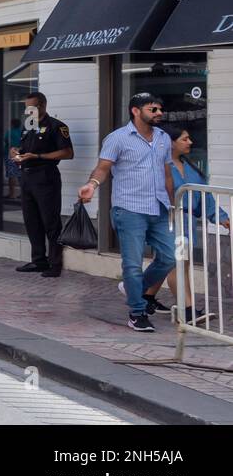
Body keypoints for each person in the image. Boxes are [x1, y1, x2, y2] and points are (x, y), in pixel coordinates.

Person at [78, 92, 176, 332]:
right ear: (136, 110)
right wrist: (92, 185)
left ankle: (135, 286)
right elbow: (103, 168)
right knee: (132, 264)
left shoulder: (163, 138)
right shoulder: (118, 138)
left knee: (170, 257)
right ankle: (137, 312)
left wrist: (173, 205)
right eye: (153, 109)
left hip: (160, 208)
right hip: (129, 209)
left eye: (160, 109)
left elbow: (166, 174)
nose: (159, 113)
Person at [161, 127, 230, 322]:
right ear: (172, 142)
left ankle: (145, 295)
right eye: (185, 139)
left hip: (188, 224)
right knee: (177, 265)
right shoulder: (160, 166)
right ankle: (188, 311)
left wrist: (220, 216)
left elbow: (204, 196)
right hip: (169, 223)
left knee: (183, 265)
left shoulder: (190, 168)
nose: (190, 142)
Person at [11, 92, 74, 277]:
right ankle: (38, 260)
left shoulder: (57, 126)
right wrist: (15, 152)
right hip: (27, 177)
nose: (28, 112)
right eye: (26, 109)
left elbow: (67, 153)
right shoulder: (28, 126)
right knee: (31, 221)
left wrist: (38, 157)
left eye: (31, 108)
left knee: (50, 222)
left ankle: (54, 265)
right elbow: (22, 149)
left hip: (46, 177)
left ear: (42, 106)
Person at [4, 118, 24, 202]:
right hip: (19, 153)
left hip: (11, 153)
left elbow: (5, 140)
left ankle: (12, 194)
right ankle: (22, 194)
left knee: (12, 175)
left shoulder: (10, 132)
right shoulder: (21, 132)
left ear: (12, 124)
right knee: (20, 174)